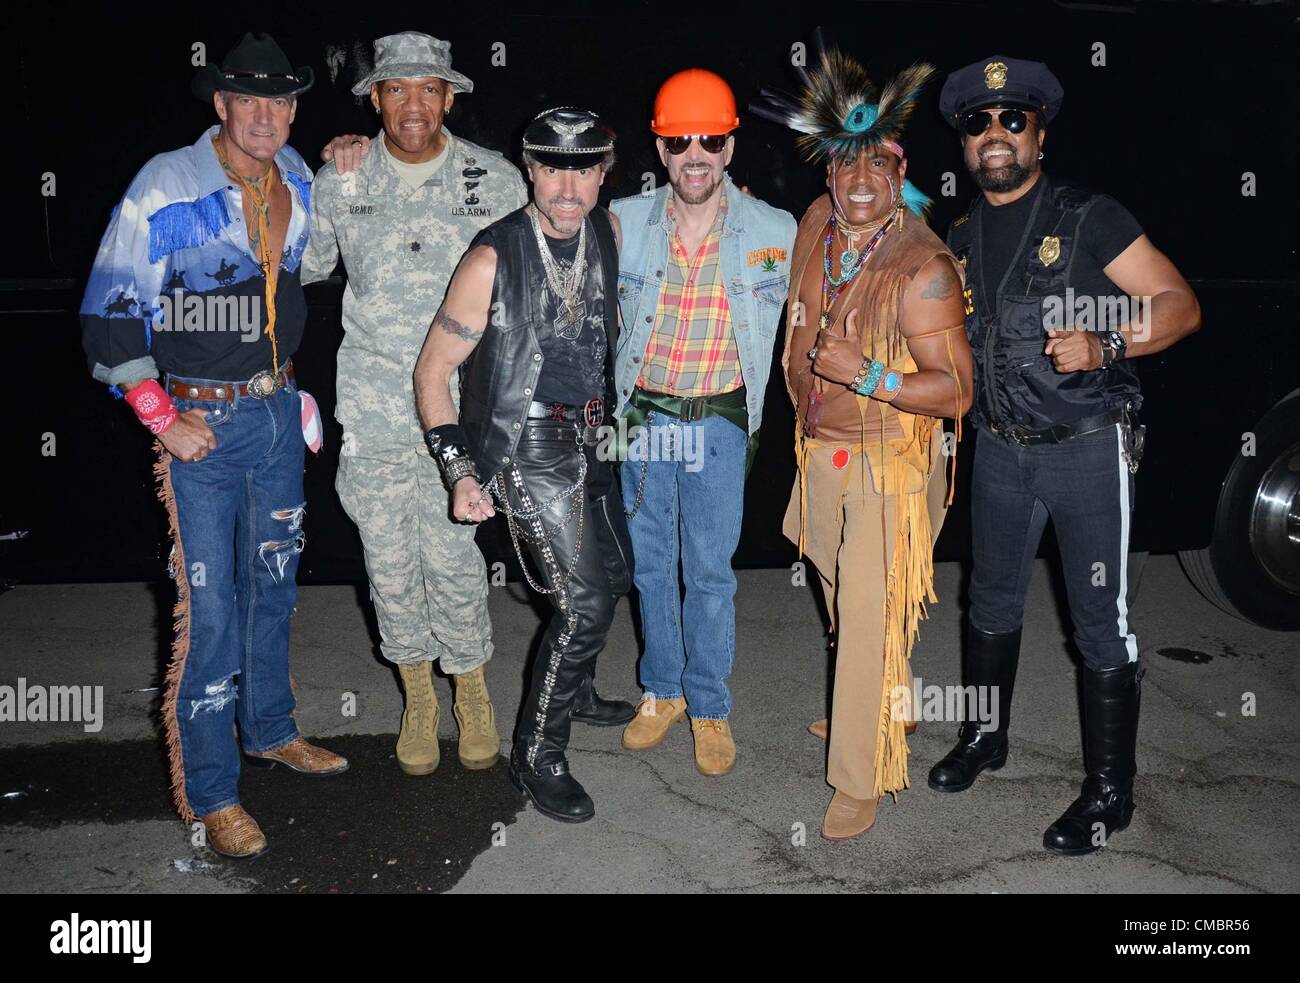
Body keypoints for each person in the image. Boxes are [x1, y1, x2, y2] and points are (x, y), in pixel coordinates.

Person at [79, 33, 347, 859]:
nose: (265, 117)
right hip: (200, 427)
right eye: (248, 101)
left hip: (274, 417)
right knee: (212, 611)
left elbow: (293, 285)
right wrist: (162, 416)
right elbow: (107, 313)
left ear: (293, 108)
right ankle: (211, 791)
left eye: (280, 102)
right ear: (221, 105)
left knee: (273, 588)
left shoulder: (298, 175)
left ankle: (270, 728)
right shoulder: (167, 184)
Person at [931, 56, 1200, 854]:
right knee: (988, 603)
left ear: (1039, 133)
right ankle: (986, 737)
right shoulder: (960, 231)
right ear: (965, 145)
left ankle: (1110, 794)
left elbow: (1181, 304)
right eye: (979, 123)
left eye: (1013, 119)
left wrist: (1110, 340)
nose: (995, 135)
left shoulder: (1088, 215)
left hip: (1085, 448)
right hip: (1000, 452)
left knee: (1099, 625)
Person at [755, 49, 973, 839]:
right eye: (844, 164)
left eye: (875, 165)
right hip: (821, 451)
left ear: (898, 166)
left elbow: (957, 391)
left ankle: (861, 771)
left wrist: (871, 372)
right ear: (827, 173)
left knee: (868, 611)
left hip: (889, 463)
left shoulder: (925, 268)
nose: (858, 181)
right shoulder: (817, 222)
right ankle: (896, 702)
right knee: (838, 589)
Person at [302, 32, 528, 776]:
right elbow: (298, 266)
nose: (412, 104)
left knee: (457, 554)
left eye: (428, 88)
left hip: (458, 410)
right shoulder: (341, 180)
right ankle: (418, 695)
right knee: (388, 562)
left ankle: (471, 688)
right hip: (370, 406)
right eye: (396, 89)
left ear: (450, 97)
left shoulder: (493, 181)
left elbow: (552, 248)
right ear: (374, 97)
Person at [412, 108, 635, 823]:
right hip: (527, 444)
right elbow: (432, 371)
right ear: (530, 168)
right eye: (552, 167)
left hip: (595, 432)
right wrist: (461, 471)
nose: (568, 185)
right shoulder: (492, 258)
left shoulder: (607, 229)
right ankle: (537, 753)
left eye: (584, 168)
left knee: (615, 572)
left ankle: (573, 684)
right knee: (585, 605)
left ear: (605, 171)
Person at [612, 70, 796, 776]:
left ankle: (710, 703)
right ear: (660, 148)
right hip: (643, 416)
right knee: (652, 564)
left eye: (709, 140)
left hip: (719, 418)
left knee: (710, 570)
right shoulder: (622, 222)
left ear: (729, 148)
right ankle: (662, 690)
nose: (696, 154)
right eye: (680, 139)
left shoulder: (775, 230)